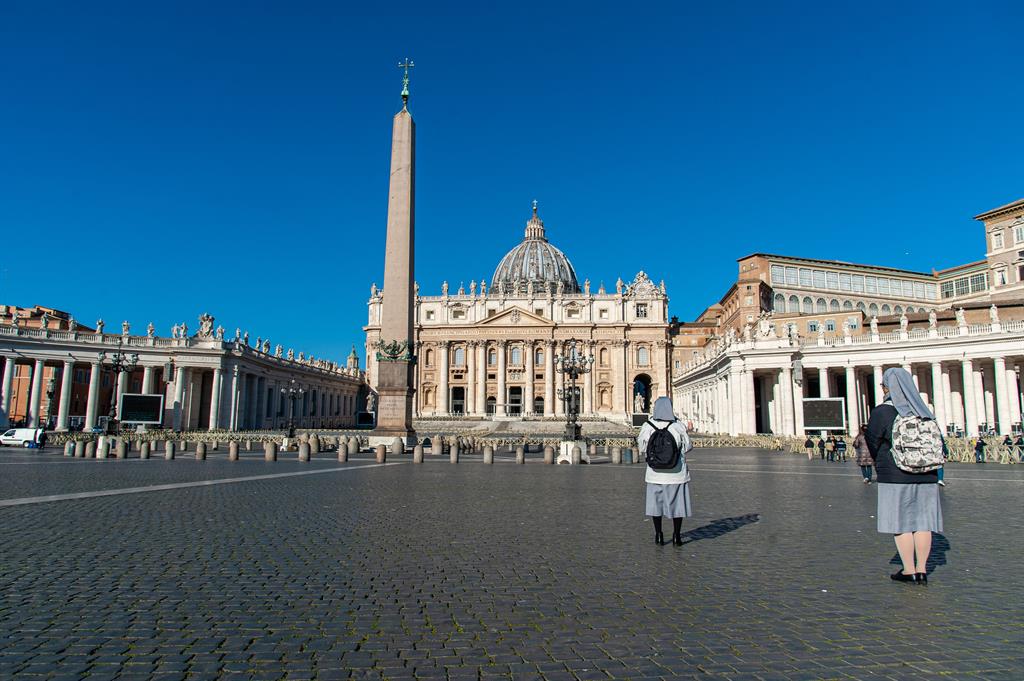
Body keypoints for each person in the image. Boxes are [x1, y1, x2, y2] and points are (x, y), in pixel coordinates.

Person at [866, 367, 943, 585]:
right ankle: (922, 570)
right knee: (924, 523)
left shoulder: (883, 411)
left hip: (895, 474)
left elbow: (872, 440)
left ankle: (909, 569)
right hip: (927, 473)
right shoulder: (923, 410)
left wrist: (880, 461)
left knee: (900, 524)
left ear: (888, 387)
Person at [637, 397, 693, 547]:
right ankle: (676, 536)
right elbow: (688, 446)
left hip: (655, 474)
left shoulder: (647, 425)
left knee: (656, 505)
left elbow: (642, 448)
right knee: (678, 507)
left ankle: (659, 535)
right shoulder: (678, 425)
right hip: (676, 473)